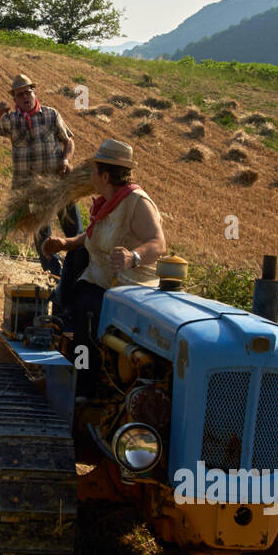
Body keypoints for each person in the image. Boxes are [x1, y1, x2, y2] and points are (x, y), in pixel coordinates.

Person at [41, 139, 165, 396]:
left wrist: (133, 257)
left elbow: (158, 243)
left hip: (129, 288)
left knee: (86, 314)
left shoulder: (137, 203)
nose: (91, 175)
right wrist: (65, 243)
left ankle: (85, 388)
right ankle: (66, 364)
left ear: (105, 175)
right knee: (74, 293)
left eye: (94, 170)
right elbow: (91, 238)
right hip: (100, 281)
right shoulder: (108, 202)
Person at [0, 73, 78, 277]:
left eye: (28, 92)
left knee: (74, 228)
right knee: (41, 234)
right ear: (15, 99)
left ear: (34, 93)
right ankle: (54, 274)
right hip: (31, 191)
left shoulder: (51, 114)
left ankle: (77, 271)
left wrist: (65, 160)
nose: (25, 97)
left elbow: (68, 140)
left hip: (59, 183)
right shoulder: (11, 120)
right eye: (20, 95)